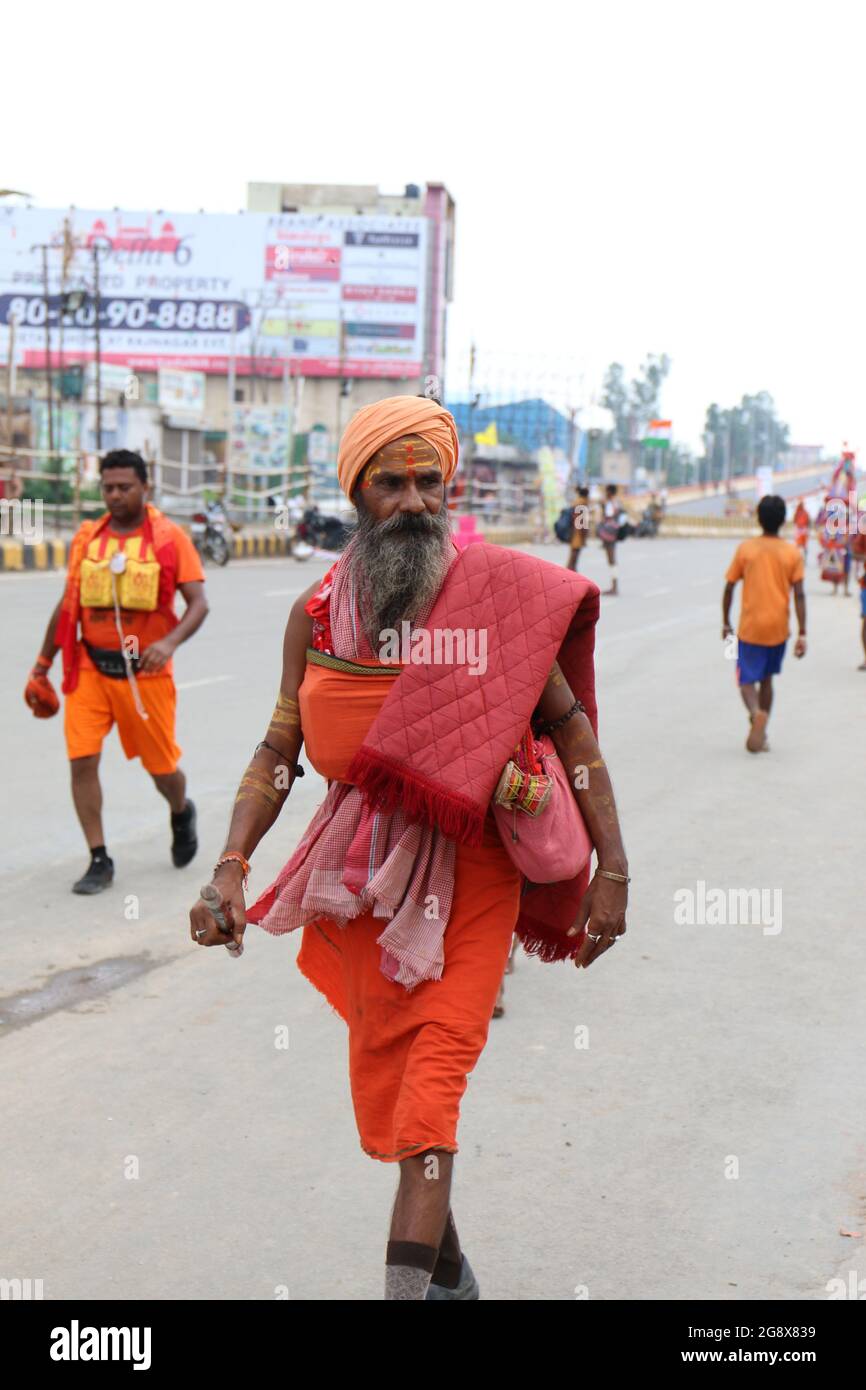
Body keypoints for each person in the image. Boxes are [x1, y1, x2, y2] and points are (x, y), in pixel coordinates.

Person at [188, 395, 629, 1301]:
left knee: (429, 1106)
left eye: (431, 481)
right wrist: (230, 865)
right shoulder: (314, 618)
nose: (415, 500)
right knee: (402, 1105)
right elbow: (279, 751)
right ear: (356, 493)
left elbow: (576, 739)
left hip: (471, 880)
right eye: (391, 482)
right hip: (359, 885)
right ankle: (452, 1277)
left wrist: (613, 871)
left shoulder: (496, 602)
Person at [25, 450, 208, 893]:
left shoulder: (169, 538)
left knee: (162, 770)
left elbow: (198, 603)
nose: (115, 495)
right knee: (82, 761)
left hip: (143, 677)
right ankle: (99, 858)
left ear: (145, 488)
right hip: (89, 670)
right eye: (107, 487)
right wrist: (43, 663)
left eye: (124, 487)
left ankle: (181, 810)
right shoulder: (88, 539)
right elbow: (69, 605)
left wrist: (167, 644)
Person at [722, 495, 806, 753]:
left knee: (745, 679)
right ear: (783, 521)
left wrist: (725, 623)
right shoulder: (792, 552)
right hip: (779, 629)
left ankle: (755, 713)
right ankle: (763, 731)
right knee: (767, 680)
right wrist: (803, 633)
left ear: (758, 518)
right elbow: (800, 594)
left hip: (749, 628)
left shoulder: (746, 549)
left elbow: (729, 587)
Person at [597, 483, 621, 594]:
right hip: (613, 532)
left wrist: (602, 505)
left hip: (609, 533)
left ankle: (614, 587)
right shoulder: (616, 502)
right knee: (612, 559)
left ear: (609, 492)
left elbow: (608, 516)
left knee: (611, 559)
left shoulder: (610, 503)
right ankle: (614, 586)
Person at [565, 484, 591, 572]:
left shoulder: (576, 502)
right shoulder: (582, 504)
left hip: (574, 534)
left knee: (573, 561)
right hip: (577, 536)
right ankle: (569, 579)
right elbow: (581, 523)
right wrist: (584, 537)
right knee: (572, 561)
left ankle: (573, 578)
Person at [793, 497, 811, 563]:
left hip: (802, 530)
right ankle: (800, 558)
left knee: (802, 545)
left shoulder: (802, 512)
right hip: (801, 530)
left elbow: (795, 520)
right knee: (801, 545)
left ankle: (803, 559)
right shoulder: (800, 512)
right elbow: (795, 520)